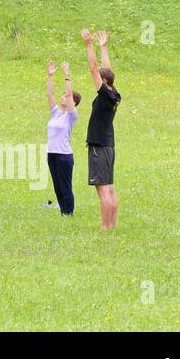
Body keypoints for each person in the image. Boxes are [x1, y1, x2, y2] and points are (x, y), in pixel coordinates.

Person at [81, 29, 121, 230]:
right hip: (109, 145)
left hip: (99, 146)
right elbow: (106, 70)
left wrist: (89, 45)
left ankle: (105, 227)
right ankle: (111, 225)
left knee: (102, 190)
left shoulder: (104, 94)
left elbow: (94, 69)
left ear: (104, 83)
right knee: (110, 189)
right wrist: (103, 47)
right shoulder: (114, 93)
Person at [44, 59, 81, 216]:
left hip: (64, 156)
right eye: (63, 96)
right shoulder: (57, 113)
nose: (63, 97)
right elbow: (50, 94)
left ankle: (69, 212)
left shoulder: (71, 116)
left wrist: (67, 75)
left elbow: (68, 93)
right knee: (57, 186)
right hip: (52, 154)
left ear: (73, 101)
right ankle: (63, 211)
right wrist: (50, 76)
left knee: (65, 186)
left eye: (66, 97)